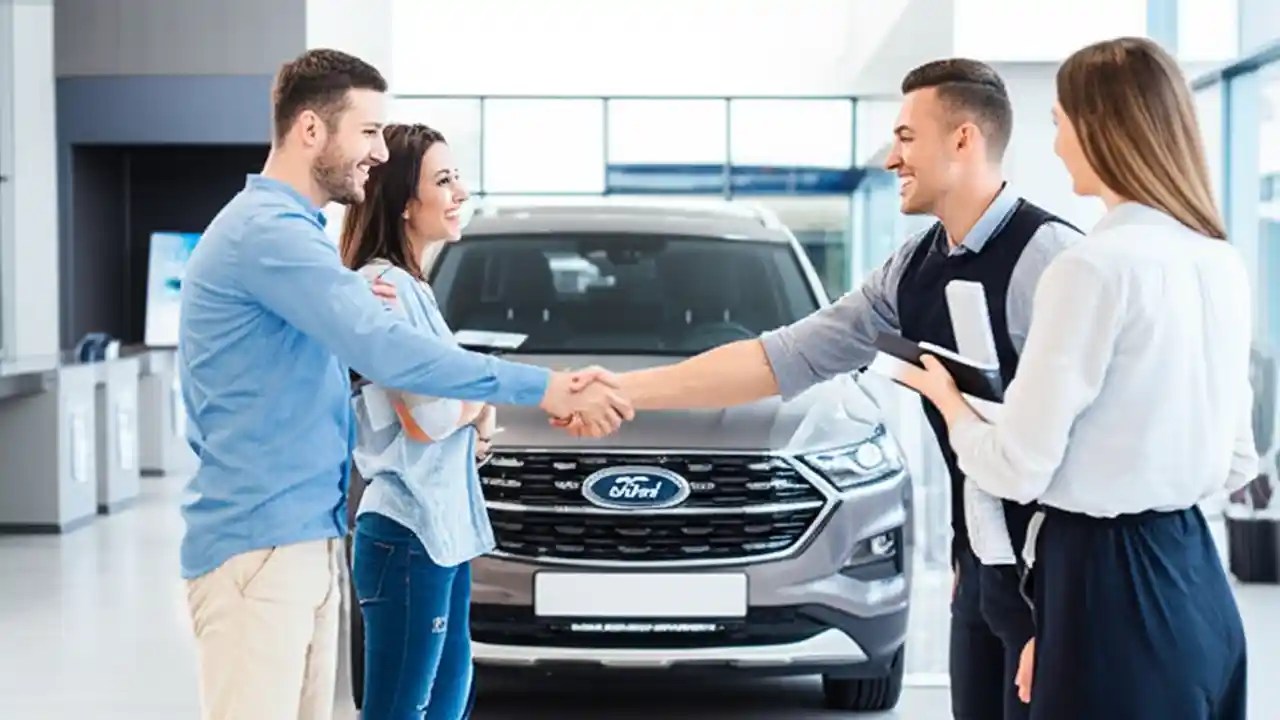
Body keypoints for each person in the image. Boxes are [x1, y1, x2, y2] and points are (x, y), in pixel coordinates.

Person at [564, 59, 1081, 720]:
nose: (892, 159)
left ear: (963, 140)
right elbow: (781, 357)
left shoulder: (1053, 259)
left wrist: (1056, 599)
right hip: (984, 574)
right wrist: (626, 390)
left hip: (1061, 578)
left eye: (905, 137)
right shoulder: (912, 267)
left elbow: (1089, 443)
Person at [177, 49, 630, 720]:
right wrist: (546, 389)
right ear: (310, 130)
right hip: (260, 550)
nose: (377, 153)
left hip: (297, 543)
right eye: (366, 133)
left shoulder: (290, 238)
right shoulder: (267, 236)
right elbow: (393, 356)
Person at [897, 37, 1257, 720]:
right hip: (1199, 583)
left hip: (1103, 583)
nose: (1057, 146)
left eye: (1060, 123)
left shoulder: (1091, 269)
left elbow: (1018, 469)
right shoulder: (1218, 261)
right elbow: (1237, 458)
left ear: (1100, 128)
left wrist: (951, 403)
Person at [337, 123, 488, 719]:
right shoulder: (380, 289)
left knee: (447, 705)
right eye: (444, 180)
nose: (461, 193)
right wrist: (479, 395)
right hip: (407, 536)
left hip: (442, 533)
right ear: (404, 201)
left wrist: (471, 405)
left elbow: (454, 416)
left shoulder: (415, 290)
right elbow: (430, 417)